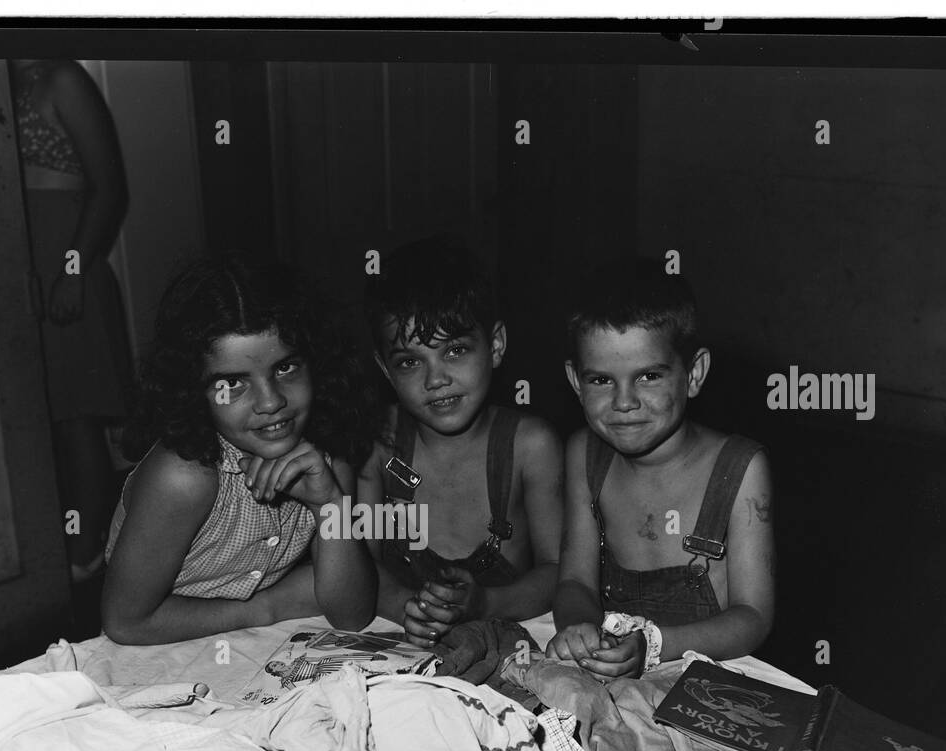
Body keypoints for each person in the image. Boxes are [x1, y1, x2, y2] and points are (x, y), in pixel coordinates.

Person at [101, 254, 378, 645]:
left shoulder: (327, 457)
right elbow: (126, 623)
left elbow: (351, 614)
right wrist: (268, 607)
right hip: (155, 656)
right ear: (194, 390)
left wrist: (329, 503)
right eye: (232, 383)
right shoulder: (185, 476)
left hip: (252, 651)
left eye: (285, 369)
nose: (270, 402)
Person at [548, 256, 774, 679]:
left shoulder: (740, 469)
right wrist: (580, 628)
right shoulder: (584, 454)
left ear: (694, 374)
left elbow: (753, 617)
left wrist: (654, 644)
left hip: (709, 674)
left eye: (648, 376)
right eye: (600, 380)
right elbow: (574, 582)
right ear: (576, 382)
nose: (624, 401)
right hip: (610, 670)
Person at [355, 237, 563, 649]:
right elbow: (362, 564)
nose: (435, 380)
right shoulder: (379, 444)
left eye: (455, 351)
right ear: (385, 369)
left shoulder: (529, 447)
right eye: (410, 362)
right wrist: (407, 608)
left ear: (496, 346)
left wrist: (486, 602)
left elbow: (560, 571)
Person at [10, 58, 133, 583]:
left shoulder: (62, 78)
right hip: (19, 266)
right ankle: (61, 543)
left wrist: (73, 270)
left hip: (66, 261)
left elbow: (110, 188)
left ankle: (88, 552)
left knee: (76, 415)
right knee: (37, 417)